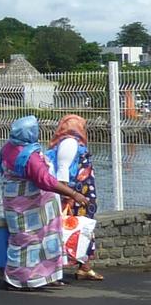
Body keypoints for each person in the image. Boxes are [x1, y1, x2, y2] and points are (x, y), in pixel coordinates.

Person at [0, 116, 88, 291]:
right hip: (31, 207)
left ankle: (42, 276)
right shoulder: (28, 156)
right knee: (28, 240)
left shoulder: (10, 147)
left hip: (16, 203)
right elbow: (45, 180)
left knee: (31, 239)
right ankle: (18, 279)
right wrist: (74, 194)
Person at [48, 114, 103, 281]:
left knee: (83, 228)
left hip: (82, 192)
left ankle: (84, 266)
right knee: (75, 228)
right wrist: (68, 194)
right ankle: (65, 267)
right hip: (77, 193)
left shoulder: (72, 142)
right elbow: (63, 170)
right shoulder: (70, 142)